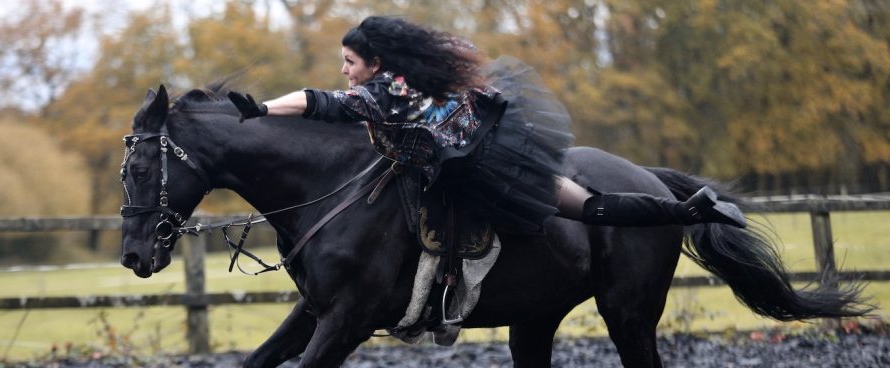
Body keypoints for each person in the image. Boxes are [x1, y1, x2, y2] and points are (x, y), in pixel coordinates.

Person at [228, 15, 745, 234]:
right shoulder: (421, 71)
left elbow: (317, 102)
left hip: (478, 174)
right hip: (505, 147)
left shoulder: (382, 93)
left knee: (579, 211)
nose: (344, 71)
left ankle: (447, 300)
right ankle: (687, 210)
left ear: (376, 63)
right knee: (590, 207)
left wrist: (262, 109)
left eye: (349, 62)